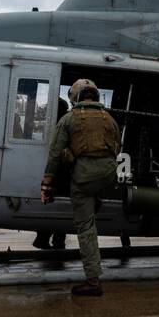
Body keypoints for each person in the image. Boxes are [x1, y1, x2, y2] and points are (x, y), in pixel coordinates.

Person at [41, 80, 119, 296]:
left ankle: (92, 282)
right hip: (107, 176)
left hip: (84, 179)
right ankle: (96, 201)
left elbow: (55, 154)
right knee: (92, 197)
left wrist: (47, 185)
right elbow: (117, 147)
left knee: (86, 228)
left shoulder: (69, 118)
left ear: (75, 97)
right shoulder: (109, 119)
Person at [33, 97, 69, 251]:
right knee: (63, 208)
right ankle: (57, 241)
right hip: (62, 171)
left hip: (51, 170)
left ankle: (43, 238)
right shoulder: (65, 125)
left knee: (51, 205)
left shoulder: (50, 125)